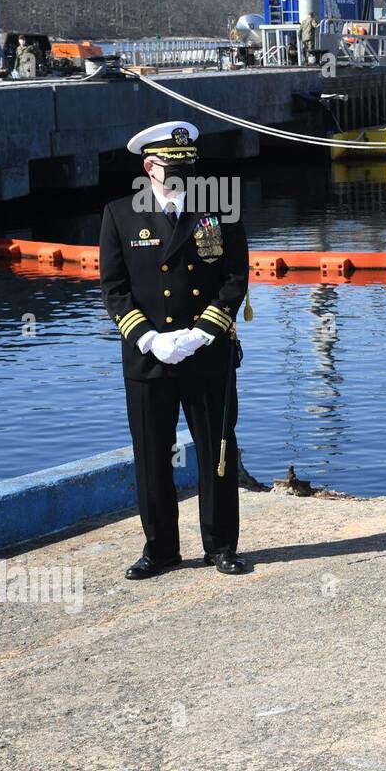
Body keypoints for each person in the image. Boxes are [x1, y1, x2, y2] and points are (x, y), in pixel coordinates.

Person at [99, 120, 250, 579]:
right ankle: (161, 550)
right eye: (174, 168)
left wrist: (200, 334)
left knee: (216, 453)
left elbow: (234, 279)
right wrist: (151, 339)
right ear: (150, 167)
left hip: (206, 354)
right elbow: (114, 289)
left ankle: (220, 546)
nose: (185, 176)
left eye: (190, 167)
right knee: (151, 456)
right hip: (149, 358)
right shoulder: (120, 214)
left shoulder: (220, 209)